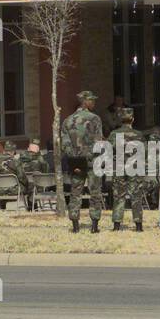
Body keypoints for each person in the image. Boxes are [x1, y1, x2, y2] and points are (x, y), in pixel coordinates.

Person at [61, 90, 105, 232]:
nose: (94, 102)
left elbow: (64, 144)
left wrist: (74, 156)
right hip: (92, 162)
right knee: (95, 193)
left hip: (76, 162)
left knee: (75, 193)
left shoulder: (67, 120)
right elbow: (99, 141)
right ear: (85, 101)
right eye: (92, 100)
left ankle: (75, 225)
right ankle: (94, 226)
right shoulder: (95, 119)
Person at [108, 108, 149, 231]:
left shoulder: (114, 134)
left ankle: (116, 225)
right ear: (133, 119)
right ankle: (138, 226)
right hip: (135, 168)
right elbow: (145, 152)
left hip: (119, 167)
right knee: (136, 196)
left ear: (121, 120)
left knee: (118, 196)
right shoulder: (139, 134)